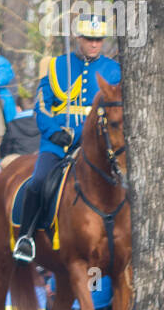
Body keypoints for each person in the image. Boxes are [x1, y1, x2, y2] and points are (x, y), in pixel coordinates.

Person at [13, 14, 122, 262]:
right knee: (39, 181)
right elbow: (42, 106)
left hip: (95, 142)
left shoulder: (113, 71)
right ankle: (26, 237)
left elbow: (113, 112)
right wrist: (54, 132)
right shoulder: (55, 66)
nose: (94, 44)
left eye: (99, 40)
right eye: (88, 39)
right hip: (55, 143)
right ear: (78, 38)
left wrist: (82, 133)